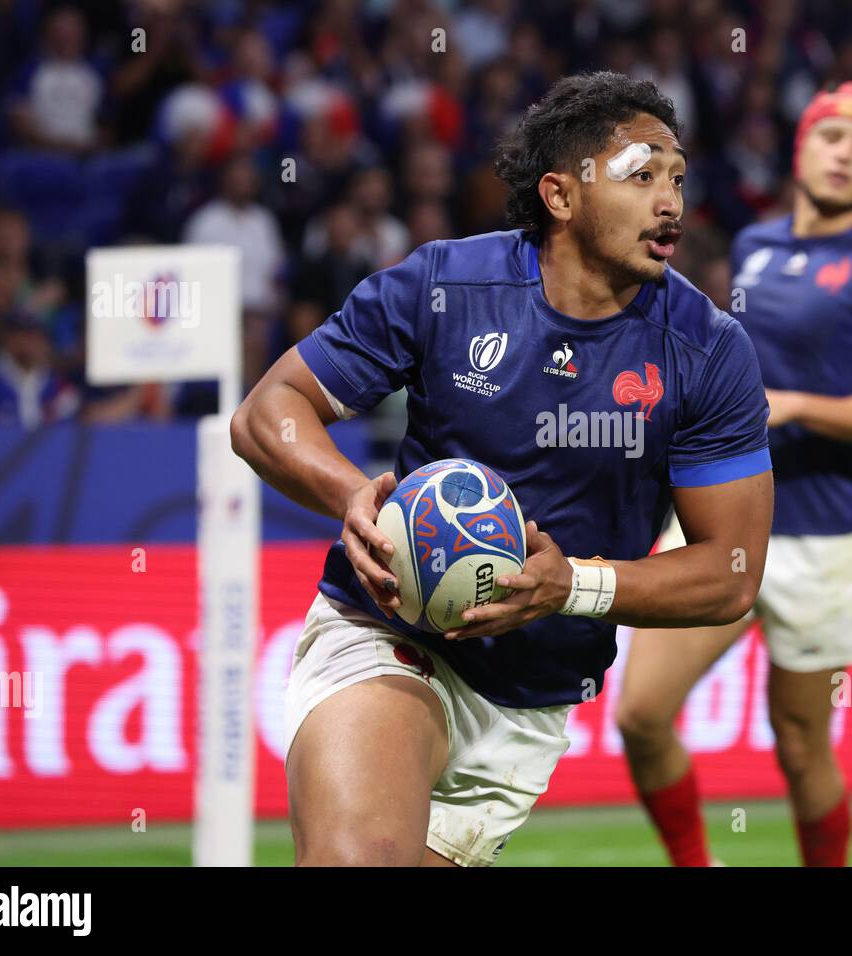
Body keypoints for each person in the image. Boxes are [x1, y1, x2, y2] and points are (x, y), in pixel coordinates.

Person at [230, 72, 774, 867]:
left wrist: (571, 587)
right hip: (392, 633)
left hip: (528, 703)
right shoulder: (446, 286)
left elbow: (731, 573)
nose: (671, 203)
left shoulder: (708, 350)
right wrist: (353, 494)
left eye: (678, 178)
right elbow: (268, 411)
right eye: (642, 176)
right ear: (560, 195)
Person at [616, 83, 852, 867]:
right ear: (801, 149)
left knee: (798, 745)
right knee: (640, 716)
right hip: (723, 520)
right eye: (831, 136)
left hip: (823, 539)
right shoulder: (755, 244)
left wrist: (790, 405)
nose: (844, 154)